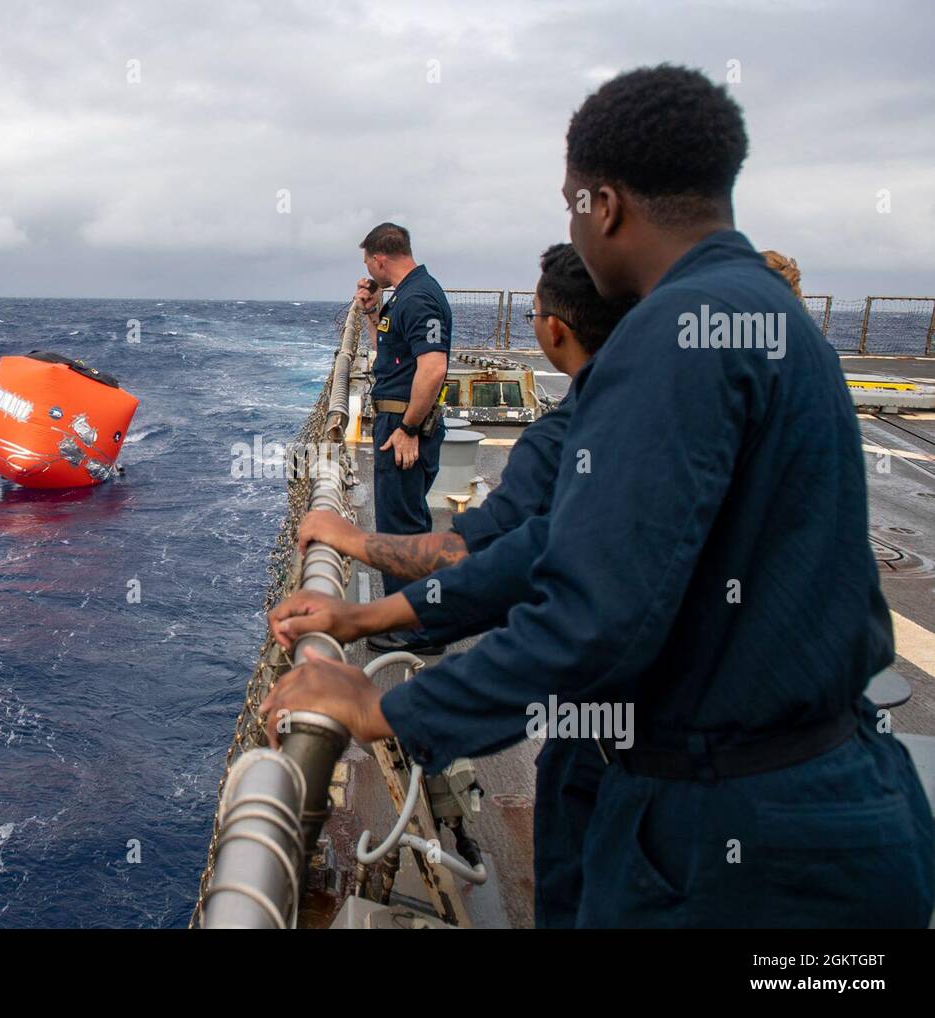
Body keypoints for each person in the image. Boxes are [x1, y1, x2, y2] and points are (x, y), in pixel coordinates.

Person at [263, 65, 934, 927]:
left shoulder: (673, 339)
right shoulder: (768, 316)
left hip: (736, 851)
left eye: (571, 206)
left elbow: (594, 613)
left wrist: (383, 706)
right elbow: (551, 552)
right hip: (826, 814)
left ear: (603, 206)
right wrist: (364, 620)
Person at [272, 242, 635, 927]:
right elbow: (505, 555)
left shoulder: (586, 434)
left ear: (553, 328)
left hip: (652, 776)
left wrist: (389, 710)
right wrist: (364, 618)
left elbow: (536, 596)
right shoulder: (663, 413)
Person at [354, 223, 451, 654]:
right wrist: (373, 312)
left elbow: (432, 369)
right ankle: (413, 621)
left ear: (379, 259)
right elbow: (392, 357)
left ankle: (418, 631)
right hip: (396, 423)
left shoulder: (419, 297)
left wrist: (409, 429)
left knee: (402, 533)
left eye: (367, 265)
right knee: (404, 525)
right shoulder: (405, 297)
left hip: (402, 429)